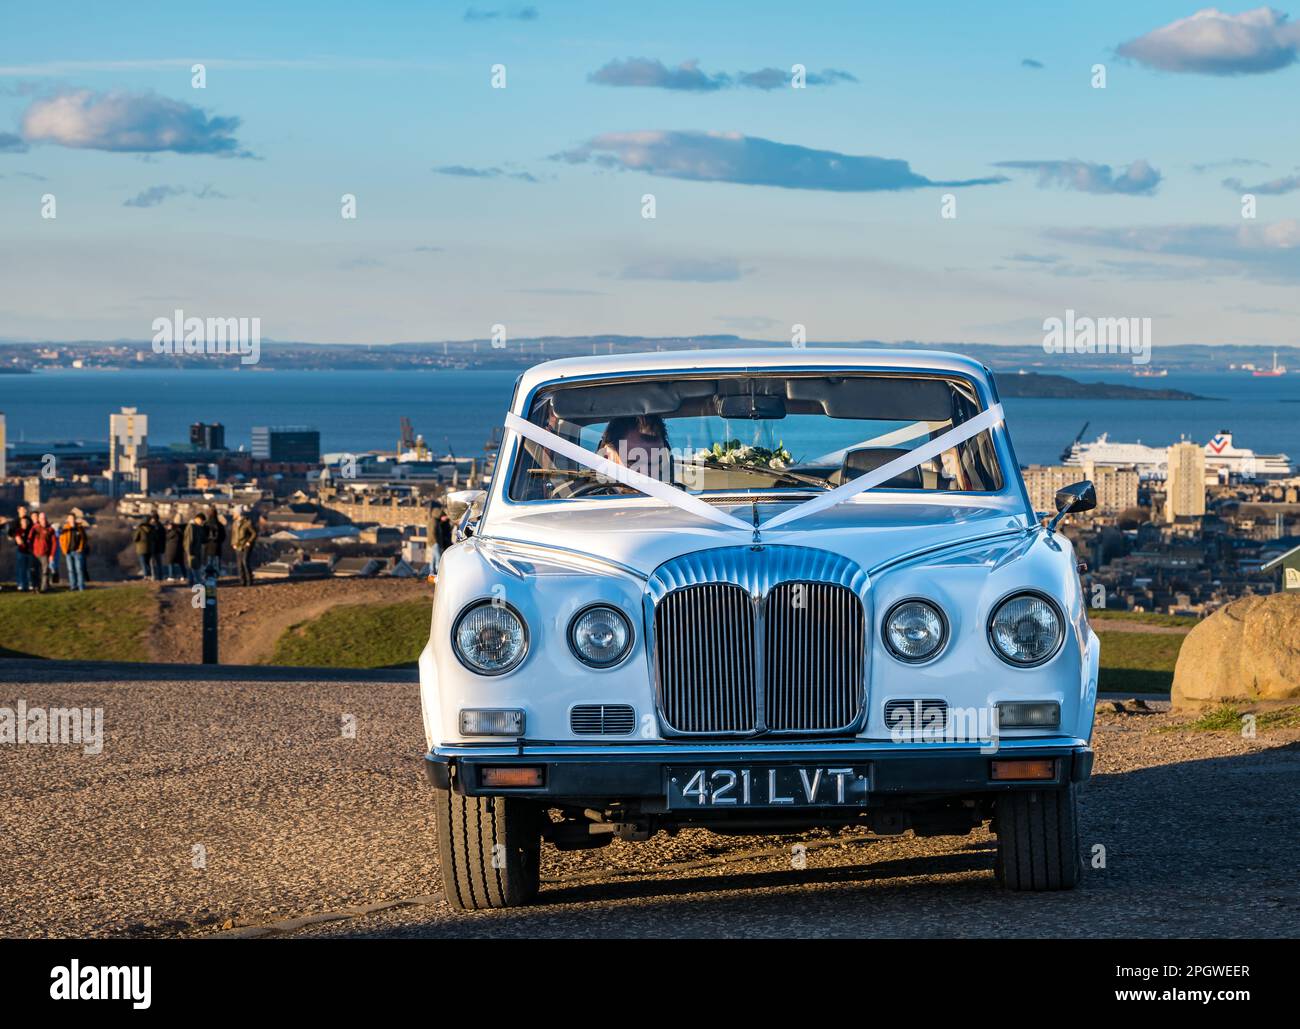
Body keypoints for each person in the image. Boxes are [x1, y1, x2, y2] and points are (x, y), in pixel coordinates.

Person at [597, 415, 672, 481]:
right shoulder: (587, 497)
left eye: (654, 464)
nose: (645, 475)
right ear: (607, 457)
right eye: (633, 462)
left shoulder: (678, 495)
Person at [59, 515, 89, 592]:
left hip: (78, 552)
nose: (71, 520)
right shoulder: (65, 528)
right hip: (68, 552)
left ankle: (81, 587)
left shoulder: (79, 528)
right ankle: (73, 586)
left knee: (79, 569)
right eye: (70, 519)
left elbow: (84, 539)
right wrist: (64, 550)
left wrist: (81, 548)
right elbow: (61, 540)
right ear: (68, 520)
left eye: (73, 518)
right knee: (71, 570)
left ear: (75, 519)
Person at [30, 512, 58, 593]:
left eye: (45, 518)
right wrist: (30, 550)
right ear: (39, 519)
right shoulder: (35, 528)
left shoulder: (50, 530)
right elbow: (29, 539)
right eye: (42, 518)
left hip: (45, 554)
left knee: (45, 572)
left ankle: (43, 589)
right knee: (34, 571)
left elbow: (54, 543)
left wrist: (52, 555)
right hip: (34, 554)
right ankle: (35, 587)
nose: (44, 520)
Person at [231, 509, 258, 587]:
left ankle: (249, 580)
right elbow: (233, 534)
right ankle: (242, 581)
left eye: (234, 513)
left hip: (246, 545)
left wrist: (249, 541)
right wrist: (233, 543)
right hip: (237, 546)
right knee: (239, 564)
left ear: (238, 513)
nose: (233, 514)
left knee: (245, 561)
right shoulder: (234, 523)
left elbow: (254, 533)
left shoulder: (247, 522)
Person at [12, 513, 34, 591]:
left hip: (29, 552)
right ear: (21, 523)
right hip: (21, 552)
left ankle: (29, 584)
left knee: (29, 568)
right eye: (23, 522)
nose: (24, 523)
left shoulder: (30, 530)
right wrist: (23, 542)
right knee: (22, 569)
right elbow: (19, 541)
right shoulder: (18, 531)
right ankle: (21, 584)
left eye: (26, 522)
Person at [183, 512, 207, 584]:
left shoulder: (198, 527)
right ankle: (194, 581)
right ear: (197, 519)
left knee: (194, 566)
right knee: (192, 567)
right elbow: (188, 540)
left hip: (196, 550)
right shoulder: (191, 527)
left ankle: (193, 581)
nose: (202, 522)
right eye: (201, 521)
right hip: (192, 551)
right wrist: (189, 551)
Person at [203, 506, 226, 578]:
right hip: (217, 546)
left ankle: (208, 575)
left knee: (209, 562)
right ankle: (216, 575)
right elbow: (223, 536)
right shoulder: (219, 525)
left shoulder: (206, 524)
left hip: (208, 546)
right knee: (217, 562)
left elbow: (203, 535)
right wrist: (219, 541)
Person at [163, 516, 184, 581]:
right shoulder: (180, 530)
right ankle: (184, 575)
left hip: (171, 549)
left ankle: (171, 576)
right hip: (179, 549)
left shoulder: (172, 532)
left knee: (170, 563)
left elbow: (166, 537)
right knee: (181, 563)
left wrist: (168, 530)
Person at [148, 512, 166, 581]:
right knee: (158, 563)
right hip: (158, 547)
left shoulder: (152, 527)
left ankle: (154, 576)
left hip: (154, 547)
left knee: (153, 563)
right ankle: (159, 576)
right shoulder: (161, 527)